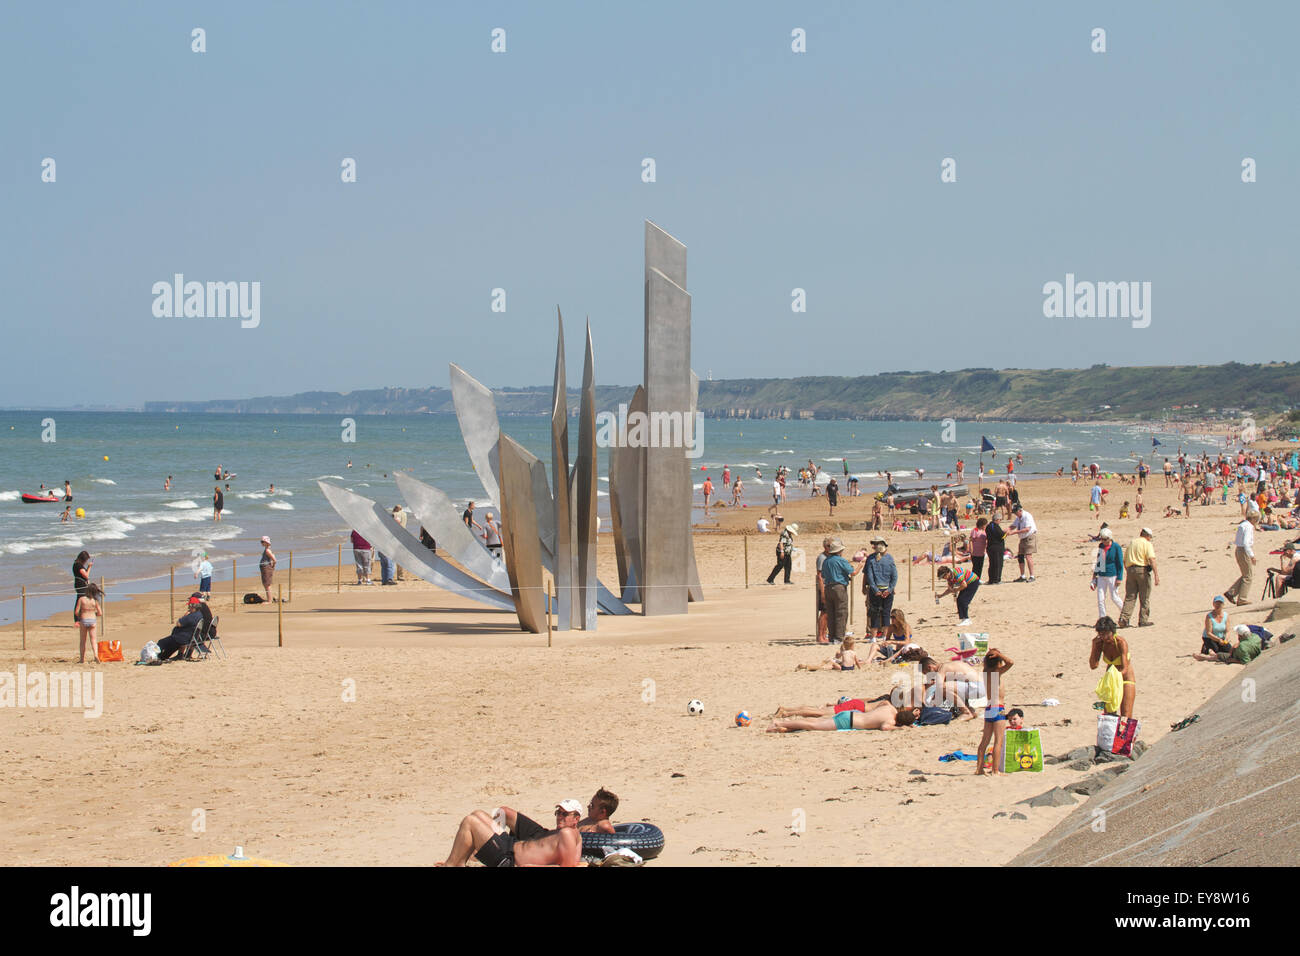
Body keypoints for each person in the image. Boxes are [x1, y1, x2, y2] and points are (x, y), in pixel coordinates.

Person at [440, 798, 585, 867]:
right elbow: (575, 861)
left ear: (576, 819)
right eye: (558, 813)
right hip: (509, 846)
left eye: (565, 814)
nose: (560, 817)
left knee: (470, 821)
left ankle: (452, 864)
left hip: (509, 860)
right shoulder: (572, 836)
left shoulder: (568, 834)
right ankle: (458, 860)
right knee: (478, 814)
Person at [975, 649, 1014, 775]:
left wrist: (992, 654)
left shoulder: (986, 672)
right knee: (998, 741)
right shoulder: (997, 672)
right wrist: (999, 654)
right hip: (998, 708)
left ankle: (979, 769)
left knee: (984, 741)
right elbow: (1011, 662)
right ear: (998, 661)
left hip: (989, 708)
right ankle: (995, 770)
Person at [766, 702, 920, 733]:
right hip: (848, 721)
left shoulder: (890, 708)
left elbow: (884, 702)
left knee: (816, 721)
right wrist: (901, 728)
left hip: (851, 714)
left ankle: (785, 725)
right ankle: (779, 722)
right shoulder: (891, 721)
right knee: (813, 725)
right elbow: (885, 727)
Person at [1090, 616, 1135, 718]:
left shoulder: (1120, 642)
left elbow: (1124, 668)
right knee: (1109, 715)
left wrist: (1115, 677)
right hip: (1111, 682)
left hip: (1125, 679)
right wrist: (1094, 647)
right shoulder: (1100, 643)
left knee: (1126, 716)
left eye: (1106, 634)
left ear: (1112, 631)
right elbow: (1093, 665)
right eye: (1101, 634)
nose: (1104, 638)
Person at [157, 594, 214, 661]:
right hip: (192, 636)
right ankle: (165, 657)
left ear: (192, 606)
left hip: (184, 638)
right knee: (172, 645)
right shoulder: (200, 614)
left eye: (189, 606)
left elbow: (179, 624)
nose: (188, 607)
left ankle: (158, 656)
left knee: (161, 642)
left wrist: (185, 616)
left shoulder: (192, 616)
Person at [819, 538, 855, 643]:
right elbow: (852, 572)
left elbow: (823, 575)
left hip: (828, 587)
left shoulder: (826, 561)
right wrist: (860, 566)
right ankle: (839, 637)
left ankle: (832, 637)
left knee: (831, 613)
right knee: (841, 612)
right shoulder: (841, 560)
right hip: (839, 587)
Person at [862, 537, 898, 638]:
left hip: (877, 590)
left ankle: (875, 636)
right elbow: (894, 576)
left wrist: (876, 589)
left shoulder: (873, 558)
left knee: (877, 613)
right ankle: (883, 636)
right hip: (882, 589)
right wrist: (890, 589)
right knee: (884, 613)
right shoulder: (885, 558)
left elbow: (869, 576)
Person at [1223, 512, 1259, 606]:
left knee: (1245, 574)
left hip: (1239, 549)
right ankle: (1242, 599)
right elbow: (1246, 542)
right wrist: (1252, 556)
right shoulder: (1248, 526)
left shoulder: (1242, 524)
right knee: (1248, 576)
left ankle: (1231, 592)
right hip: (1244, 550)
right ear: (1254, 519)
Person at [1091, 528, 1124, 619]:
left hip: (1112, 575)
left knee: (1114, 597)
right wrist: (1094, 576)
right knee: (1100, 599)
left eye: (1105, 539)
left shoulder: (1116, 547)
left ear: (1110, 538)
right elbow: (1099, 561)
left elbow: (1120, 563)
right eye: (1102, 539)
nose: (1103, 541)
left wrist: (1119, 578)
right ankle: (1102, 618)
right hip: (1101, 575)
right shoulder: (1101, 546)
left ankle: (1125, 614)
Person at [1192, 624, 1264, 665]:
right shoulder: (1256, 636)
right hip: (1248, 652)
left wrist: (1232, 660)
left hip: (1237, 656)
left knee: (1218, 656)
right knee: (1223, 652)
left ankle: (1202, 657)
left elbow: (1245, 661)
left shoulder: (1242, 647)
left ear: (1240, 636)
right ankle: (1212, 654)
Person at [1005, 504, 1037, 582]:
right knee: (1020, 556)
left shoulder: (1027, 516)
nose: (1015, 514)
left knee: (1028, 556)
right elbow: (1014, 525)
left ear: (1020, 510)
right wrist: (1007, 529)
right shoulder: (1018, 517)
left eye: (1016, 512)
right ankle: (1022, 576)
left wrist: (1014, 532)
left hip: (1029, 537)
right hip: (1022, 538)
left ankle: (1032, 576)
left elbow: (1027, 529)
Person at [796, 633, 860, 671]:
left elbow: (839, 658)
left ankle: (810, 667)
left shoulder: (844, 652)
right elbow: (856, 662)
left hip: (843, 668)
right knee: (831, 663)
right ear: (852, 646)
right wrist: (859, 668)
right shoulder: (853, 653)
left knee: (831, 663)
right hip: (851, 667)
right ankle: (810, 667)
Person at [74, 582, 103, 664]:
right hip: (92, 620)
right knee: (93, 639)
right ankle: (96, 655)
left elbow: (76, 612)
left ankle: (82, 659)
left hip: (84, 619)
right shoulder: (95, 601)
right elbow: (100, 613)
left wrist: (80, 615)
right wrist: (94, 614)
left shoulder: (82, 599)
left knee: (83, 641)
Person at [984, 514, 1006, 584]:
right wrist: (1006, 533)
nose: (1000, 521)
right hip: (997, 547)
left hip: (990, 547)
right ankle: (996, 579)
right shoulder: (995, 526)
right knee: (998, 564)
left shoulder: (988, 526)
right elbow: (1001, 536)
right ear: (997, 520)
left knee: (992, 564)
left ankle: (991, 579)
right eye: (1000, 520)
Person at [72, 550, 92, 623]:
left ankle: (80, 618)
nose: (86, 561)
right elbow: (86, 576)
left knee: (81, 600)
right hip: (80, 584)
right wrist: (89, 567)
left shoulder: (76, 564)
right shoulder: (78, 565)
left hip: (80, 583)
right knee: (80, 601)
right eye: (86, 560)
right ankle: (77, 620)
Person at [390, 505, 408, 581]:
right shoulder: (405, 514)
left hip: (395, 536)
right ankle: (400, 575)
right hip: (403, 535)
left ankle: (391, 575)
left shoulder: (395, 514)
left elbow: (395, 522)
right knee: (401, 557)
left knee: (392, 556)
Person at [259, 536, 276, 603]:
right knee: (266, 584)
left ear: (266, 543)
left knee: (267, 584)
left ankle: (269, 600)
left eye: (262, 542)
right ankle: (270, 599)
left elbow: (274, 560)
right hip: (265, 568)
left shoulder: (267, 550)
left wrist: (272, 567)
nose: (261, 543)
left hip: (266, 568)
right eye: (261, 542)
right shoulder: (267, 550)